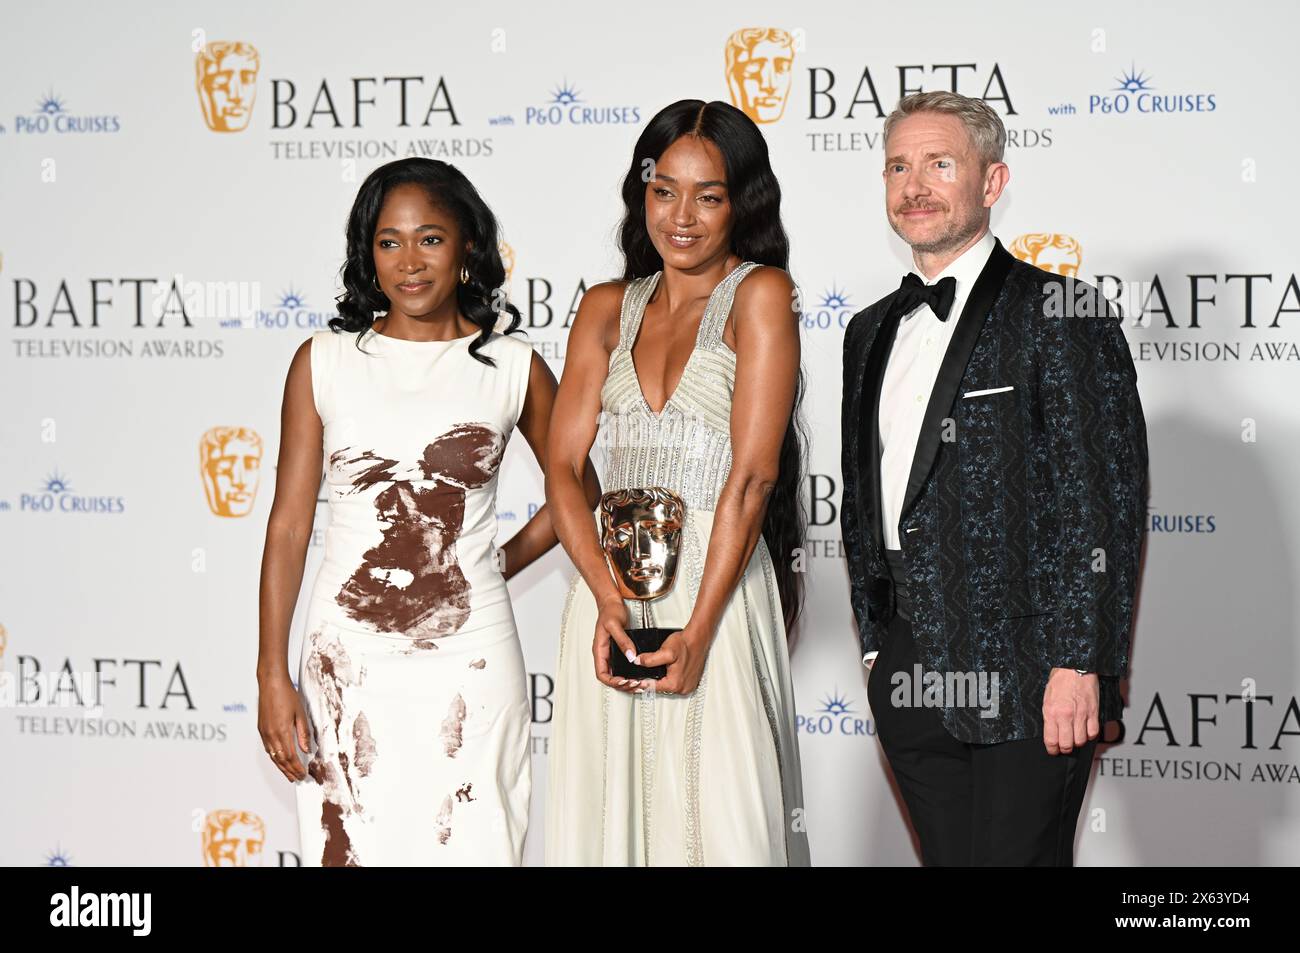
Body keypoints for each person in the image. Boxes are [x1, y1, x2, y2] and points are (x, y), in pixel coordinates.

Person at [255, 157, 596, 866]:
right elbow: (288, 526)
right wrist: (270, 673)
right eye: (389, 241)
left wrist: (497, 563)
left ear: (468, 245)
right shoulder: (323, 361)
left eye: (430, 239)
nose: (409, 262)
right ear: (367, 252)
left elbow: (580, 492)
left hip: (470, 656)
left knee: (472, 839)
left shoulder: (512, 366)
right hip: (347, 659)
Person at [840, 91, 1148, 865]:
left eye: (941, 164)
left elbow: (1101, 505)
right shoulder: (868, 329)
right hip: (910, 671)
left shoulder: (1062, 311)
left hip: (1031, 671)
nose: (915, 185)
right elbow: (864, 493)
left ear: (993, 180)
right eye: (899, 166)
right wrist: (878, 648)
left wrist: (1081, 664)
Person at [544, 99, 811, 866]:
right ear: (642, 194)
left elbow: (754, 479)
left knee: (723, 817)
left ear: (743, 201)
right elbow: (564, 468)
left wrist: (696, 628)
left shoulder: (759, 296)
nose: (682, 216)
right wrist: (604, 596)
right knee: (607, 816)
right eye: (664, 191)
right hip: (608, 597)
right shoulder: (602, 308)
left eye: (709, 194)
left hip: (714, 592)